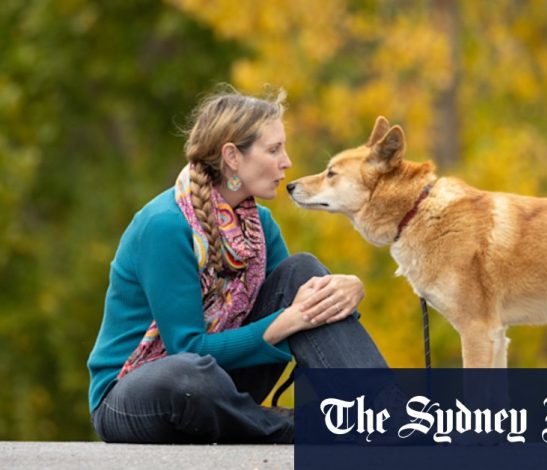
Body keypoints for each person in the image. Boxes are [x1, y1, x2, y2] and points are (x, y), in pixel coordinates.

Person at [87, 86, 388, 444]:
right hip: (139, 394)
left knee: (303, 272)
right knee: (188, 375)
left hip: (226, 387)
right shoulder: (165, 225)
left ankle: (380, 415)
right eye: (274, 149)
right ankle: (295, 428)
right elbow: (188, 349)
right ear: (232, 156)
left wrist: (349, 288)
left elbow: (304, 309)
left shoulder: (261, 226)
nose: (287, 162)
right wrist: (285, 322)